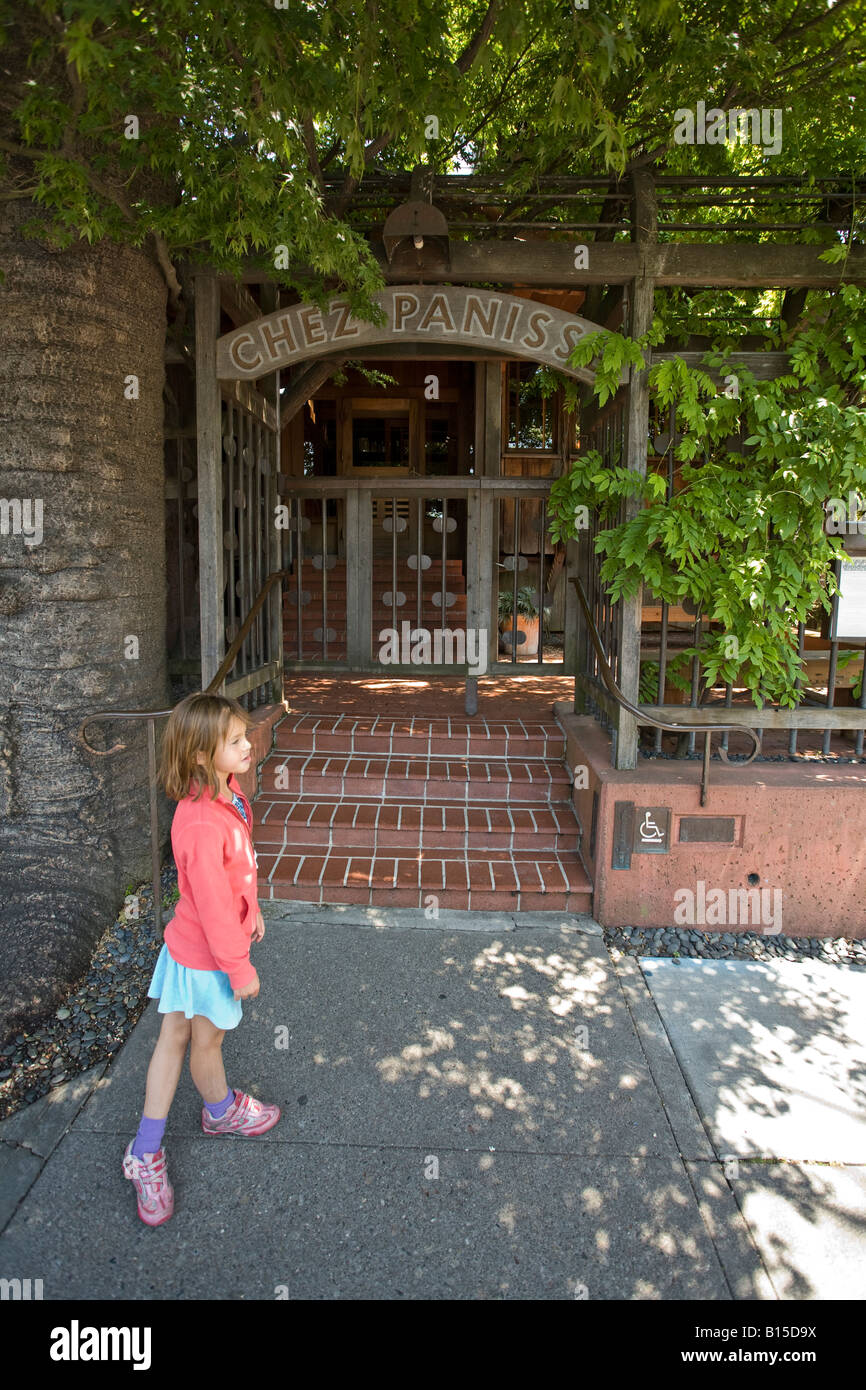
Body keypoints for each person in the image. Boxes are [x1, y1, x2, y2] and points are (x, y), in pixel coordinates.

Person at [122, 692, 281, 1225]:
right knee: (203, 1041)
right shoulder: (200, 822)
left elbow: (238, 871)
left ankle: (159, 1140)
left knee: (177, 1038)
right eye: (234, 741)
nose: (247, 745)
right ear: (197, 754)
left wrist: (252, 905)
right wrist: (239, 968)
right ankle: (211, 1116)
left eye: (244, 736)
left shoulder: (224, 795)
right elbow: (212, 908)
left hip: (191, 948)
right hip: (205, 955)